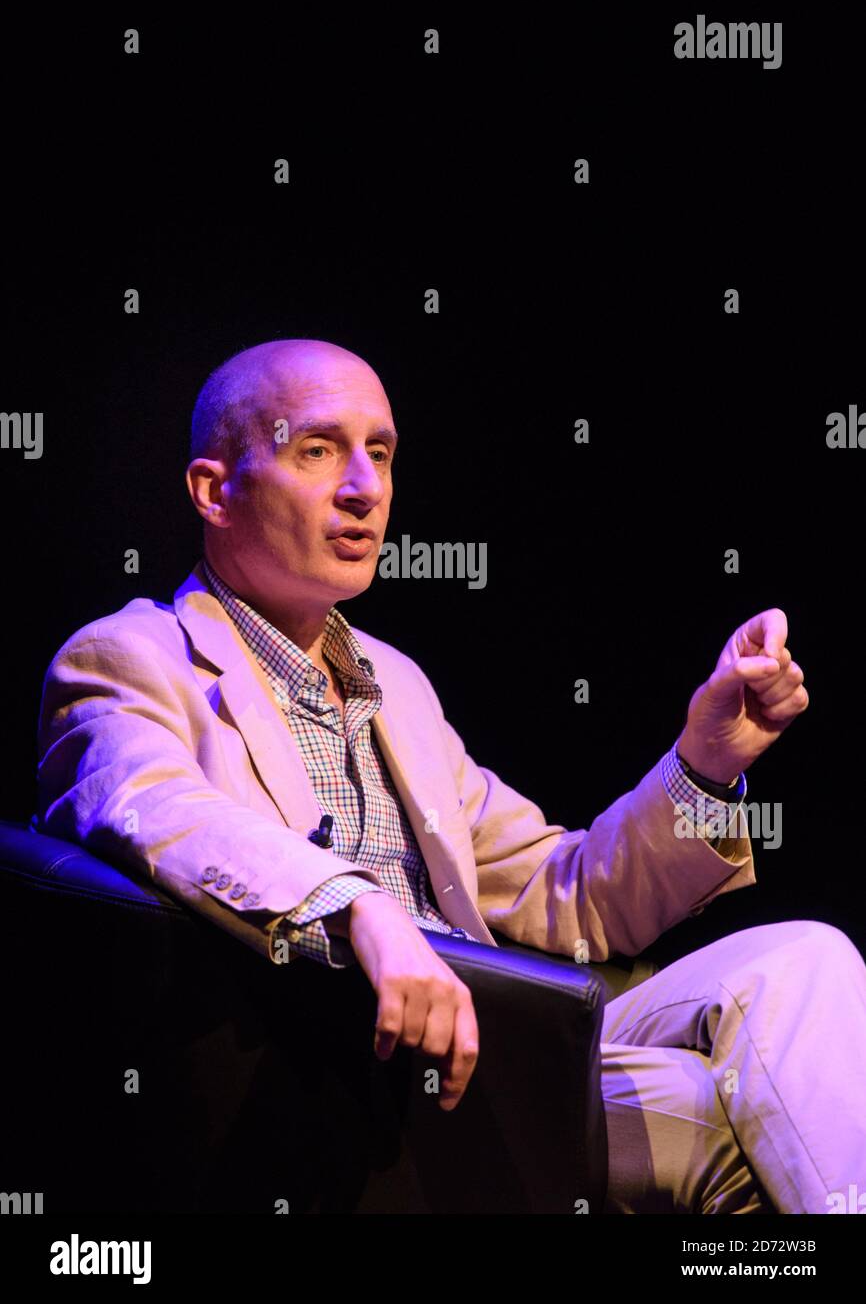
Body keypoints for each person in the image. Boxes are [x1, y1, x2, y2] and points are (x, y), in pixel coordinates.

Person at [35, 338, 866, 1214]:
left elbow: (573, 895)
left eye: (381, 452)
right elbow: (149, 806)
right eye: (317, 449)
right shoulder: (130, 656)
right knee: (732, 1113)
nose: (365, 487)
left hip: (505, 1030)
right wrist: (363, 907)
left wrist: (707, 762)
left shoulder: (397, 685)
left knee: (804, 959)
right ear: (213, 490)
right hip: (344, 1065)